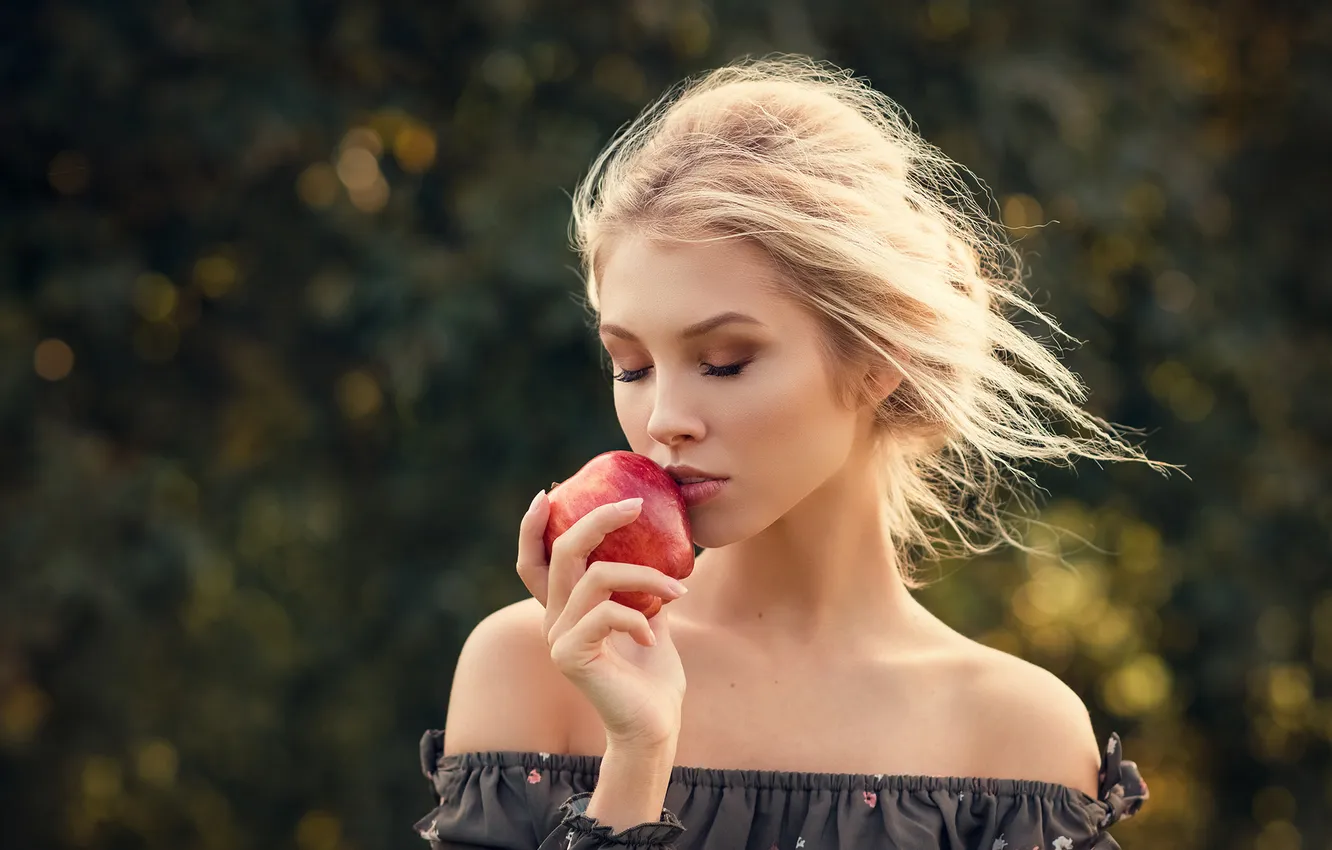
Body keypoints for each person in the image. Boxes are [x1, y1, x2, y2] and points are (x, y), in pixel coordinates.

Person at [414, 54, 1175, 849]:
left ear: (879, 356)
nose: (664, 418)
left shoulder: (1019, 738)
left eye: (725, 361)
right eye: (631, 366)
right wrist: (635, 759)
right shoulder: (536, 670)